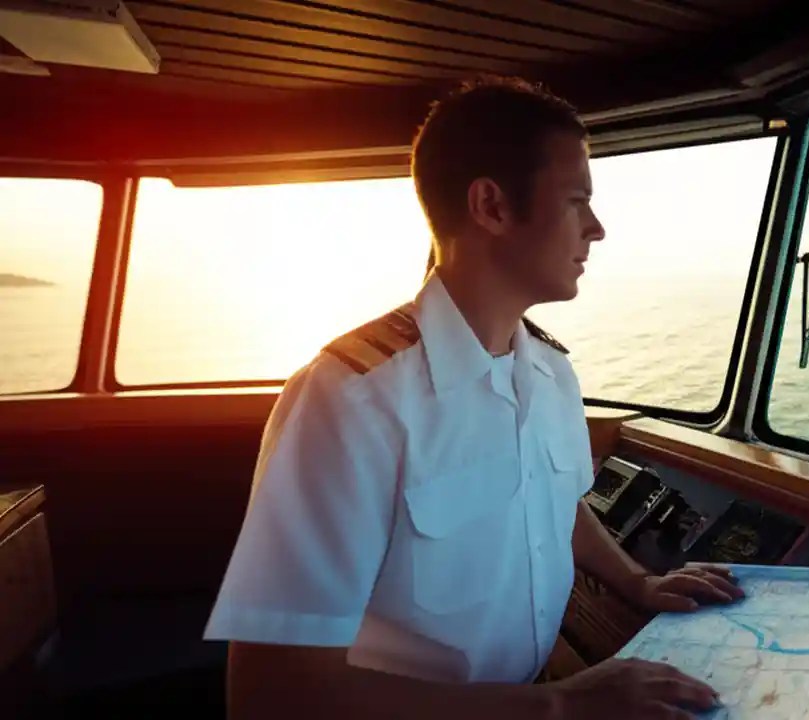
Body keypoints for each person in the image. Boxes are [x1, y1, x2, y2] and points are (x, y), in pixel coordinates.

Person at [204, 76, 745, 719]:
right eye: (576, 201)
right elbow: (271, 692)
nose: (596, 228)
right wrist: (559, 708)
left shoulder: (549, 373)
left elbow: (554, 502)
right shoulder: (351, 402)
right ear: (491, 205)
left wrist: (636, 580)